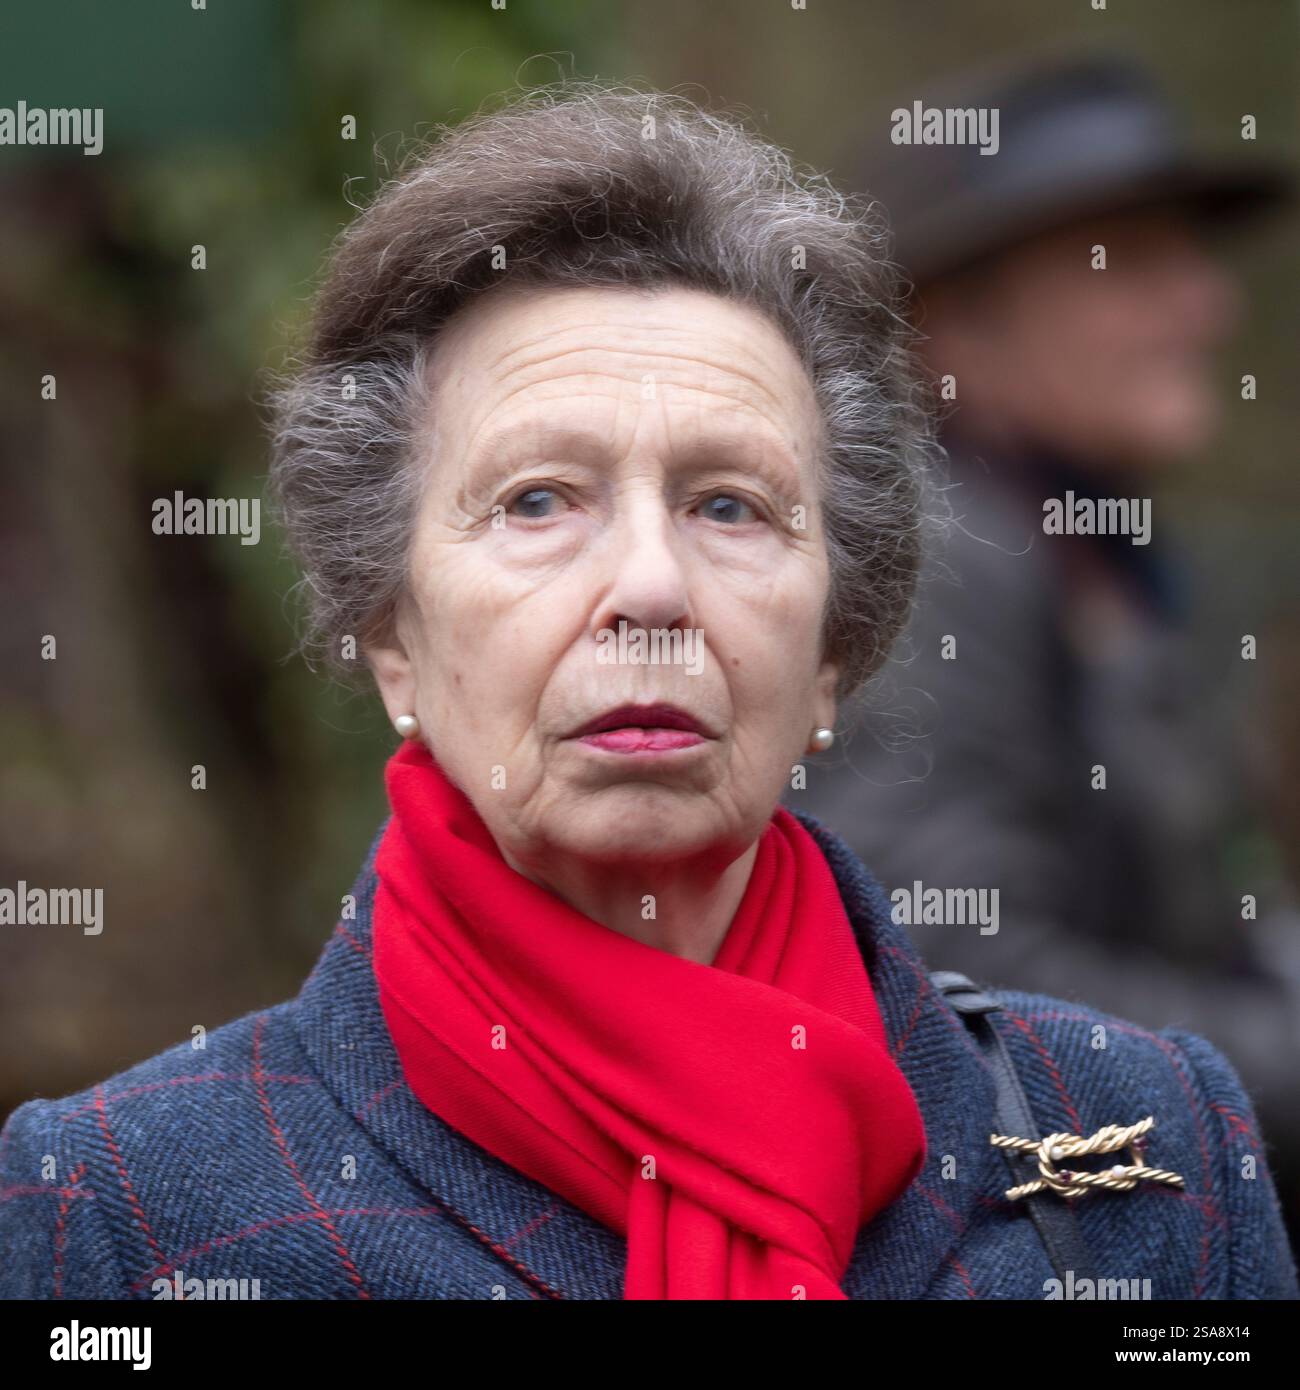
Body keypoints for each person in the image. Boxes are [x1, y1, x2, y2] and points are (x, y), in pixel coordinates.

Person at [0, 81, 1294, 1301]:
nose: (650, 587)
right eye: (539, 501)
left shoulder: (1148, 1145)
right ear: (391, 631)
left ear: (835, 646)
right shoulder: (126, 1211)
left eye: (729, 504)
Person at [795, 54, 1300, 1167]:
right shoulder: (936, 560)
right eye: (1132, 263)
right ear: (953, 326)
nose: (1206, 305)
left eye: (1193, 257)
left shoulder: (1087, 550)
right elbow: (950, 985)